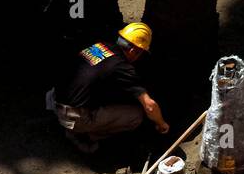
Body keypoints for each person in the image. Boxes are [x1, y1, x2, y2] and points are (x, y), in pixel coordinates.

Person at [53, 22, 170, 154]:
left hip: (55, 98)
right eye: (140, 53)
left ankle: (77, 125)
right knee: (136, 116)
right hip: (73, 116)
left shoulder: (100, 46)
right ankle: (85, 136)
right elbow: (150, 106)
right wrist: (161, 124)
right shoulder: (122, 67)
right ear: (133, 50)